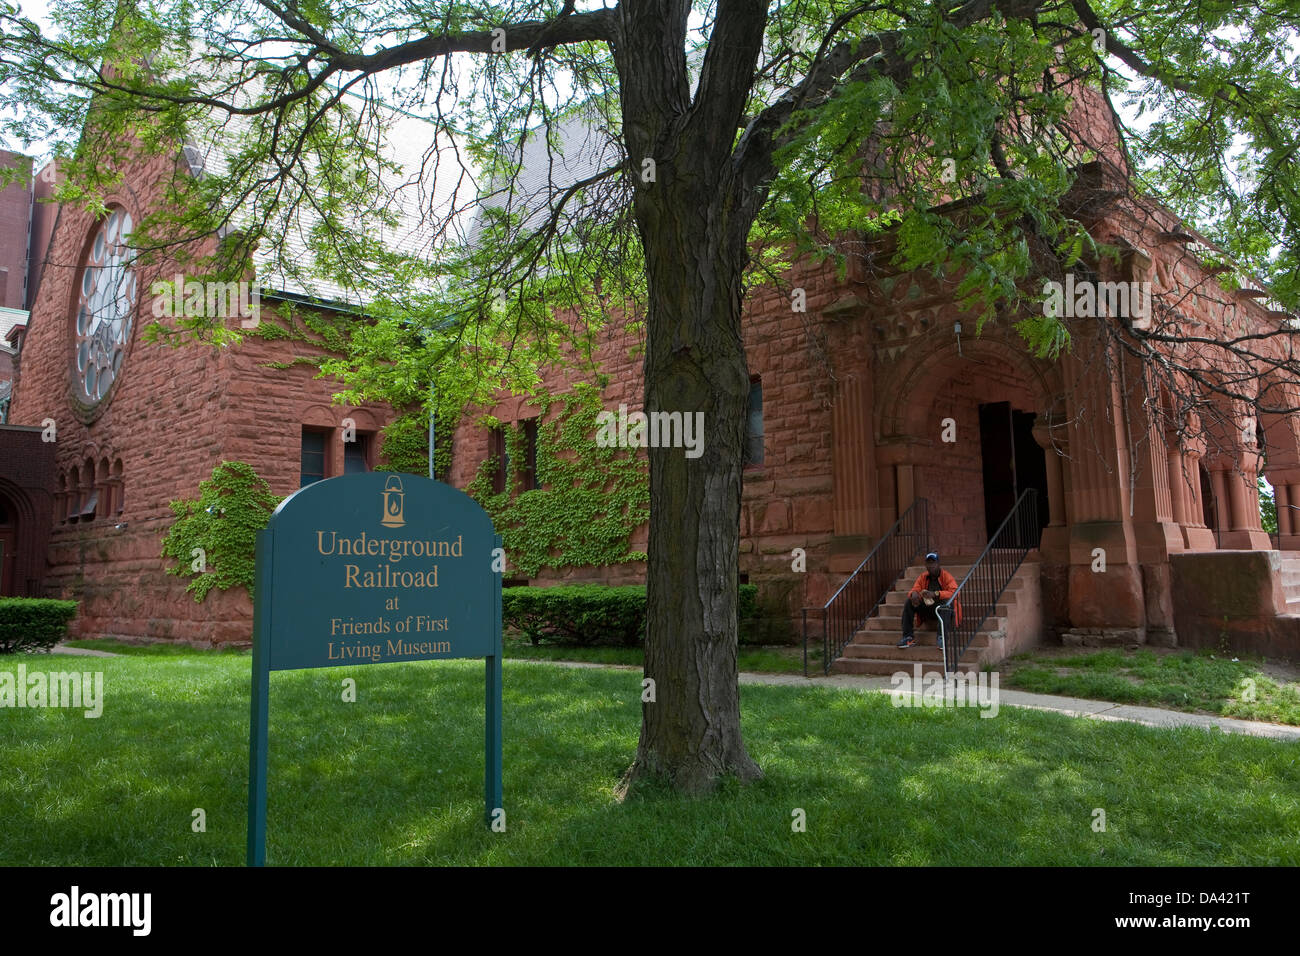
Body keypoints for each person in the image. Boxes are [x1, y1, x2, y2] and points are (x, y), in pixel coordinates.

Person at [897, 552, 962, 649]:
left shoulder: (946, 576)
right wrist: (913, 594)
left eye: (933, 563)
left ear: (938, 564)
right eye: (929, 563)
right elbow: (915, 588)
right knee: (908, 602)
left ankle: (942, 638)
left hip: (944, 610)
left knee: (946, 603)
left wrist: (936, 594)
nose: (931, 566)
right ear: (926, 565)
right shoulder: (923, 577)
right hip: (928, 609)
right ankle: (908, 637)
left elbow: (955, 592)